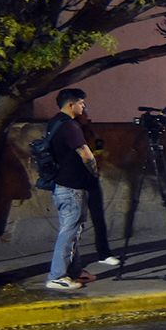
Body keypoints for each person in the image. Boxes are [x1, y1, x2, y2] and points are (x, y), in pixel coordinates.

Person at [45, 88, 98, 290]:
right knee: (69, 231)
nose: (84, 107)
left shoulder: (55, 123)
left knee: (73, 230)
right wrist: (94, 172)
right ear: (70, 104)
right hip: (72, 186)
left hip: (62, 184)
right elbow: (86, 154)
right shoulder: (70, 127)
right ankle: (57, 275)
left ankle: (74, 271)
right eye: (81, 103)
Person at [78, 109, 119, 266]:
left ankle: (104, 253)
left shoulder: (89, 130)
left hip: (92, 179)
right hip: (78, 180)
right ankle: (71, 259)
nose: (86, 116)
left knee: (98, 218)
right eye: (84, 113)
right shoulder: (72, 131)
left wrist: (100, 154)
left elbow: (97, 148)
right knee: (75, 222)